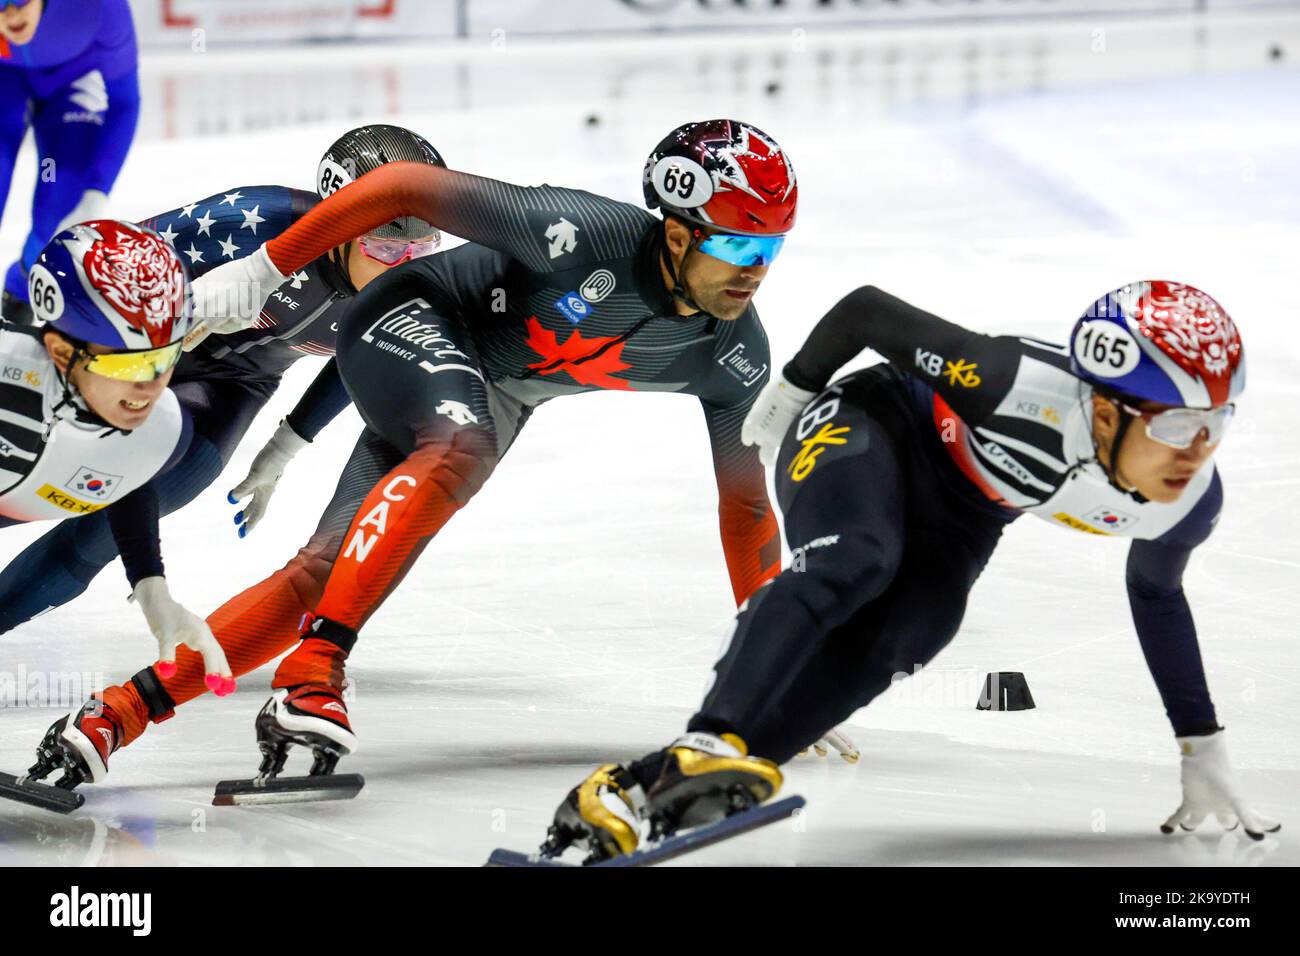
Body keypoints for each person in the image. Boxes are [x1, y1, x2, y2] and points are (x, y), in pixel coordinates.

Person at [85, 118, 794, 784]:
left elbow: (746, 507)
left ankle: (112, 717)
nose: (755, 271)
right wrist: (268, 267)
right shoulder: (582, 230)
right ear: (675, 234)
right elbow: (401, 186)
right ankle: (315, 670)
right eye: (737, 246)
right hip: (412, 313)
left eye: (770, 250)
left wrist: (771, 671)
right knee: (463, 445)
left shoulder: (732, 356)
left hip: (494, 391)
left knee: (323, 575)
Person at [538, 279, 1280, 862]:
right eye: (1179, 425)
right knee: (859, 561)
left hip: (965, 511)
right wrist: (790, 393)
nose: (1197, 452)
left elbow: (1156, 592)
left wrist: (1200, 741)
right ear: (1109, 412)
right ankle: (711, 739)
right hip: (873, 426)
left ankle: (654, 785)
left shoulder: (1184, 506)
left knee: (916, 629)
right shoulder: (1010, 385)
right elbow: (866, 314)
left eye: (1218, 424)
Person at [10, 125, 449, 785]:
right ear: (340, 225)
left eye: (424, 244)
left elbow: (359, 353)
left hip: (231, 386)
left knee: (144, 499)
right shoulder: (254, 223)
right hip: (126, 359)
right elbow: (110, 265)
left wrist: (287, 442)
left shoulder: (405, 284)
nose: (408, 261)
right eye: (388, 244)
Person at [2, 219, 232, 788]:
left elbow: (126, 476)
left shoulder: (161, 429)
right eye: (128, 366)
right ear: (59, 349)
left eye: (165, 360)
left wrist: (153, 591)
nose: (149, 388)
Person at [0, 0, 140, 324]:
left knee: (61, 212)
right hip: (5, 78)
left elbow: (125, 103)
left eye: (19, 1)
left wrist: (97, 191)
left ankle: (20, 290)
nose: (11, 15)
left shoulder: (100, 7)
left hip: (73, 79)